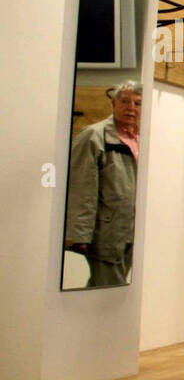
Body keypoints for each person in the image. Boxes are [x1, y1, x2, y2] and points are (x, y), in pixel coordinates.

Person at [65, 81, 142, 287]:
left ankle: (80, 319)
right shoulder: (93, 136)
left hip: (133, 231)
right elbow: (81, 187)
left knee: (104, 291)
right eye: (125, 101)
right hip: (106, 234)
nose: (131, 108)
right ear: (113, 105)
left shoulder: (143, 139)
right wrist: (78, 234)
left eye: (138, 103)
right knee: (110, 292)